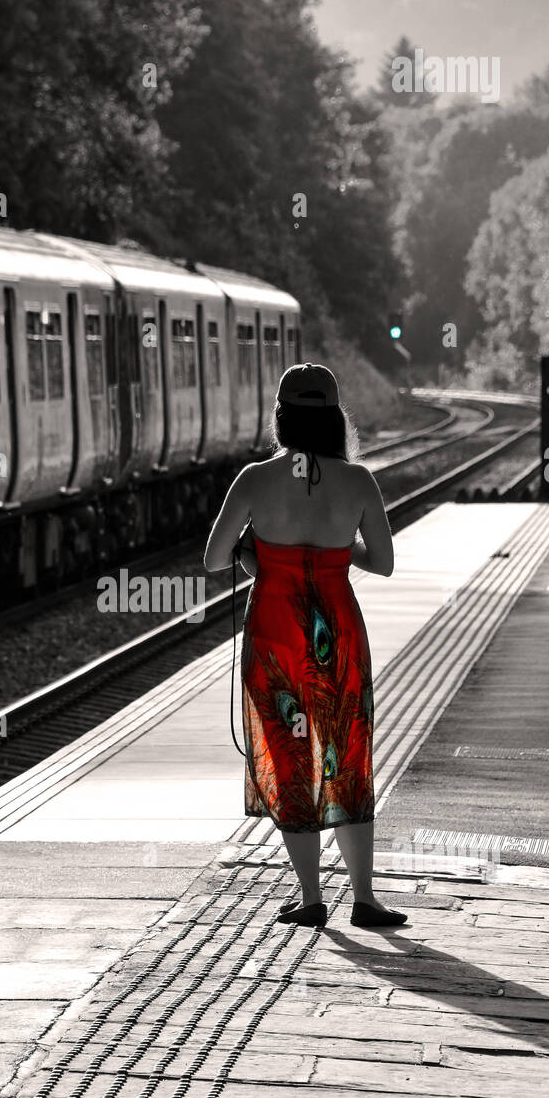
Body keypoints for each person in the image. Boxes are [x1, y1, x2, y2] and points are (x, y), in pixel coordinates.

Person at [204, 362, 407, 929]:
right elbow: (385, 563)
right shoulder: (359, 481)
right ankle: (364, 899)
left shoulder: (254, 480)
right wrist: (334, 554)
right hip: (338, 631)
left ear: (280, 417)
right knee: (347, 753)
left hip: (275, 632)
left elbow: (215, 559)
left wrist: (264, 556)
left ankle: (312, 899)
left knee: (290, 756)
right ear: (336, 420)